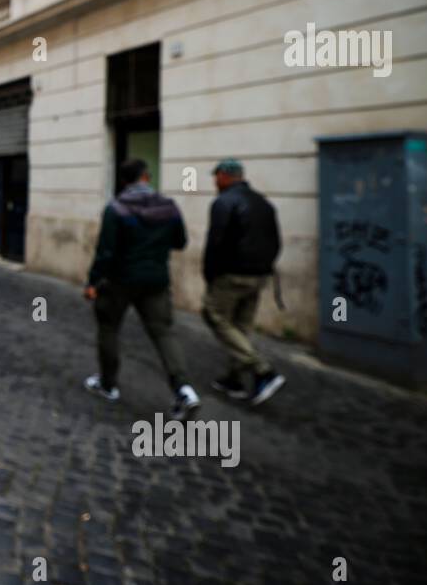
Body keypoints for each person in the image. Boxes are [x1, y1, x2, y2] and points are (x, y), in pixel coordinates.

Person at [83, 159, 200, 421]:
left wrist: (92, 282)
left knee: (109, 328)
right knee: (163, 334)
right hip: (156, 280)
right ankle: (184, 389)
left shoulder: (116, 208)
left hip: (118, 281)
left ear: (124, 181)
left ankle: (108, 384)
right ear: (146, 177)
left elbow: (105, 252)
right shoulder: (169, 206)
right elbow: (180, 242)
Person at [201, 159, 286, 405]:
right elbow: (276, 240)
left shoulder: (224, 202)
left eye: (216, 176)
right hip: (259, 275)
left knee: (214, 315)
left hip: (232, 273)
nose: (215, 181)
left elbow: (215, 242)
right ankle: (234, 379)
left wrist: (209, 274)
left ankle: (263, 370)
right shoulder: (264, 202)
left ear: (226, 176)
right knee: (240, 327)